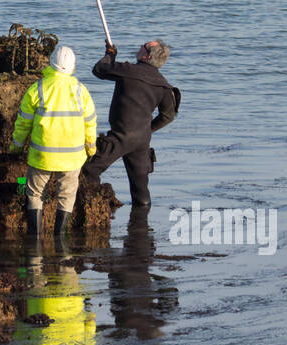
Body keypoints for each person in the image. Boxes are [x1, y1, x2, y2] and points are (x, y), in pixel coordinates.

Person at [10, 44, 97, 237]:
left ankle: (35, 239)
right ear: (73, 67)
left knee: (34, 194)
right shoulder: (81, 91)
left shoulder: (37, 89)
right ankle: (60, 238)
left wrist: (15, 148)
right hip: (72, 158)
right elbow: (90, 124)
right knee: (66, 196)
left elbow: (23, 124)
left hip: (42, 156)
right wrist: (91, 149)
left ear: (50, 64)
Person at [85, 40, 180, 209]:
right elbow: (168, 116)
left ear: (146, 55)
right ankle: (142, 225)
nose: (139, 46)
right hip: (142, 140)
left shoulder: (129, 71)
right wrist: (148, 129)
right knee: (140, 188)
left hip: (121, 135)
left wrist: (110, 55)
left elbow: (99, 69)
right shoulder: (164, 85)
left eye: (143, 45)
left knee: (90, 169)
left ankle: (91, 207)